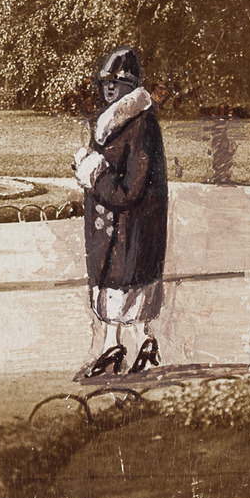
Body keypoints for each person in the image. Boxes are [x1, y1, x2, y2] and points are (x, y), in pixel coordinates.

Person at [73, 45, 171, 377]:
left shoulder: (140, 125)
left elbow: (131, 190)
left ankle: (123, 347)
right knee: (117, 289)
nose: (109, 87)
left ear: (132, 85)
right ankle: (133, 344)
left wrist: (94, 174)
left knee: (125, 285)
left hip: (131, 228)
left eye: (118, 81)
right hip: (114, 227)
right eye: (105, 81)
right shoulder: (110, 121)